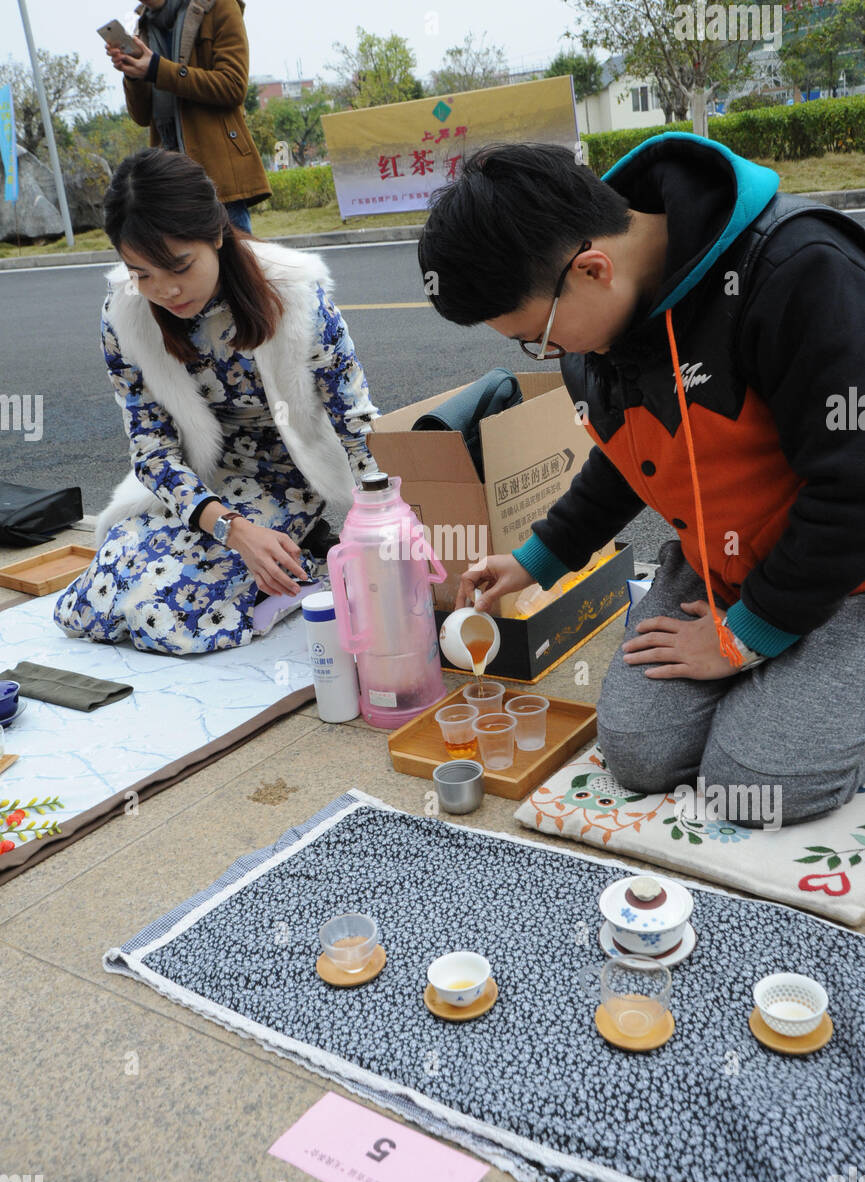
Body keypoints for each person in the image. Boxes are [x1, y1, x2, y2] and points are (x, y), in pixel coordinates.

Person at [418, 136, 865, 825]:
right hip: (719, 556)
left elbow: (852, 492)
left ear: (592, 268)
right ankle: (785, 670)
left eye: (536, 340)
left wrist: (745, 637)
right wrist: (537, 557)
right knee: (638, 753)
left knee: (759, 785)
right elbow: (630, 454)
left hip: (844, 567)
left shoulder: (798, 271)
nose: (545, 356)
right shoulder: (603, 317)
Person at [55, 147, 377, 654]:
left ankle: (310, 554)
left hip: (285, 474)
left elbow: (353, 418)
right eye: (140, 273)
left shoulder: (295, 297)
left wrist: (380, 520)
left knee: (165, 617)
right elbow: (152, 451)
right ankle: (290, 558)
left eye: (179, 265)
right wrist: (230, 528)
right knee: (89, 608)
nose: (164, 290)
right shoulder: (125, 314)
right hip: (199, 481)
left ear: (218, 234)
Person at [100, 0, 270, 232]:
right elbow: (141, 117)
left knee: (236, 277)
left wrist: (157, 69)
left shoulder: (219, 7)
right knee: (185, 280)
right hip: (169, 185)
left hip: (219, 178)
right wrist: (133, 73)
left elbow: (233, 87)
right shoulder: (139, 27)